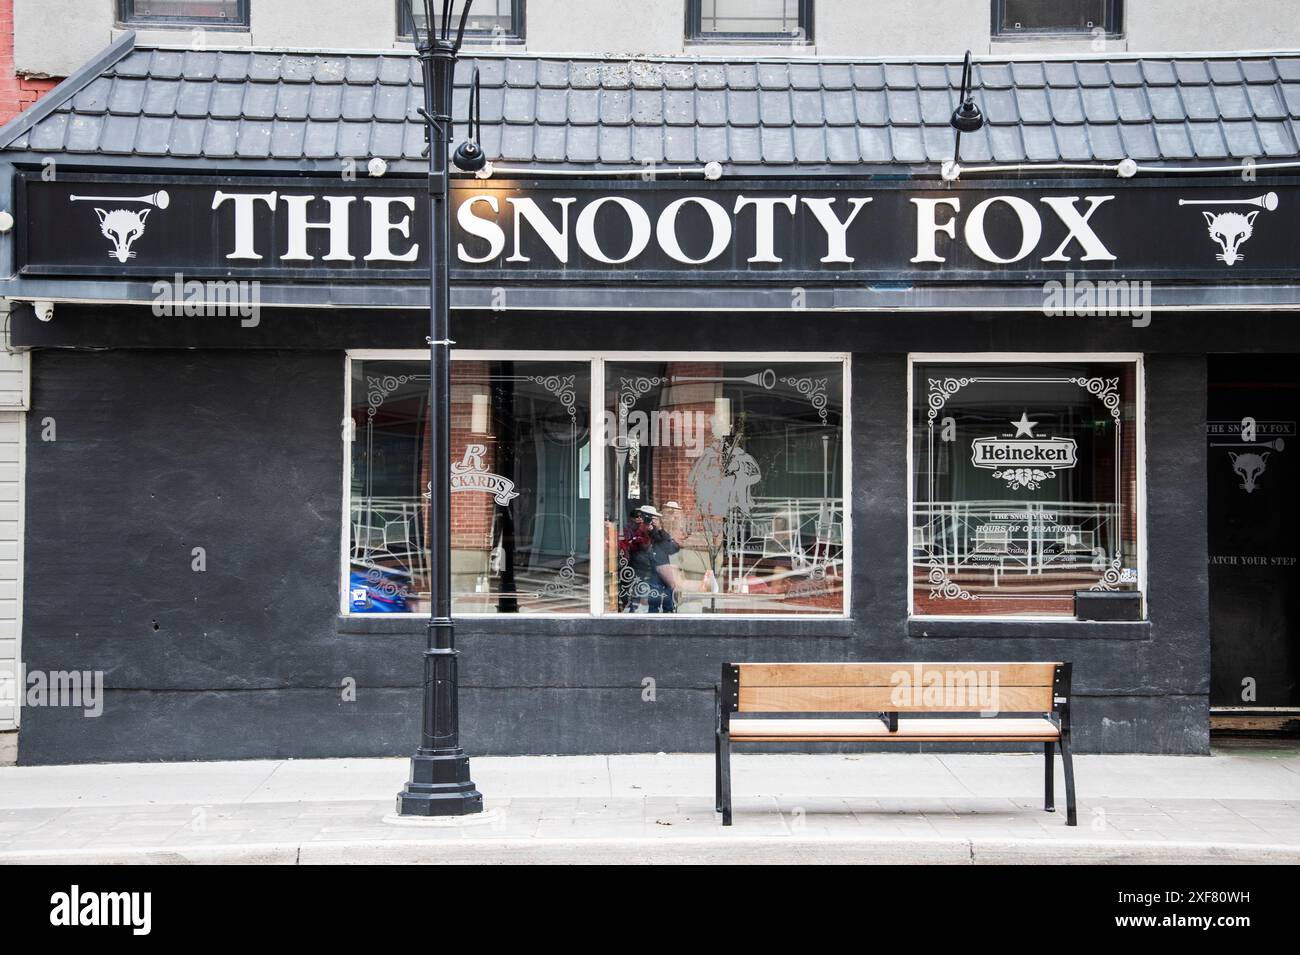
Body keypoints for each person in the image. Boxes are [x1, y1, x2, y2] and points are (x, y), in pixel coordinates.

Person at [642, 505, 681, 613]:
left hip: (662, 566)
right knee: (655, 595)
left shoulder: (658, 532)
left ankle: (668, 612)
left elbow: (672, 548)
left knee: (668, 591)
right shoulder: (642, 530)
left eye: (653, 518)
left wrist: (658, 528)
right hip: (651, 567)